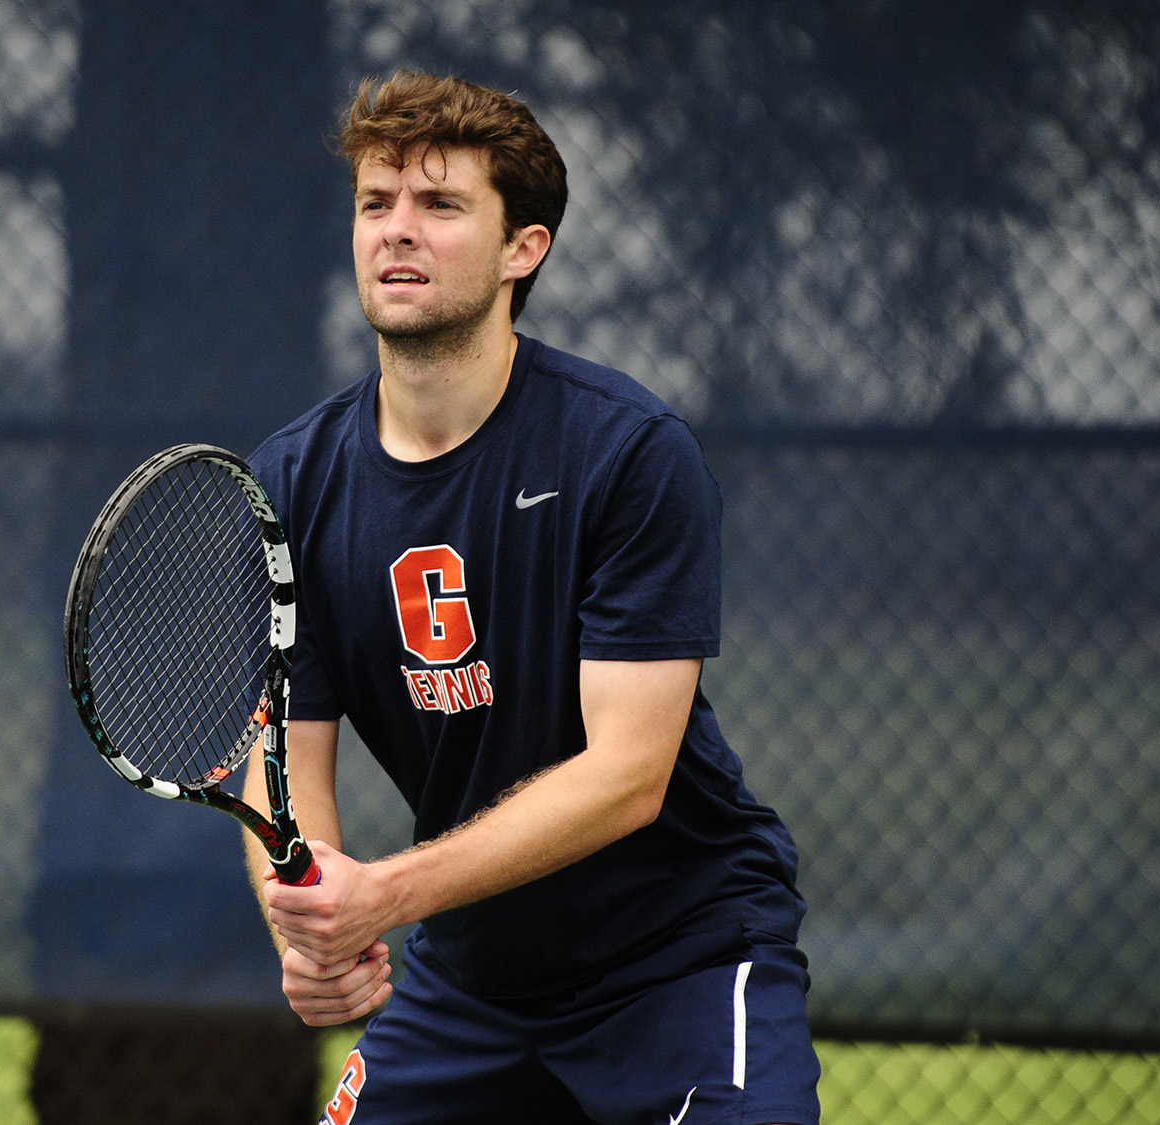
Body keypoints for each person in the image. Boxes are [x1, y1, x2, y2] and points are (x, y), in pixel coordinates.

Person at [242, 70, 820, 1125]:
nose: (395, 232)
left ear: (524, 250)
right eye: (375, 203)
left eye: (439, 204)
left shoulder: (626, 453)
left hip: (677, 961)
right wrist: (311, 930)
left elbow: (626, 777)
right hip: (472, 980)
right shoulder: (289, 483)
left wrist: (386, 894)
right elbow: (283, 760)